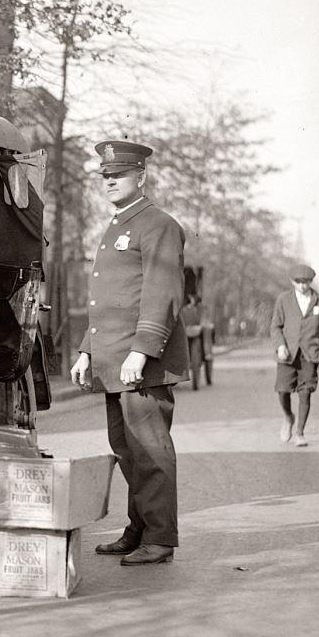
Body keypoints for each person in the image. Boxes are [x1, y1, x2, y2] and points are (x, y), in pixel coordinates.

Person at [69, 140, 189, 566]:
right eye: (104, 176)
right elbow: (111, 302)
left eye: (117, 175)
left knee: (151, 451)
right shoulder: (117, 226)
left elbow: (163, 294)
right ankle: (139, 528)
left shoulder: (158, 225)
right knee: (127, 449)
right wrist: (86, 350)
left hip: (142, 363)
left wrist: (141, 351)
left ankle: (160, 537)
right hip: (114, 361)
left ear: (141, 176)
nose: (109, 183)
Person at [270, 264, 319, 447]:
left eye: (306, 282)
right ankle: (289, 417)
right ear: (292, 282)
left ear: (311, 282)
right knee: (283, 390)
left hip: (310, 353)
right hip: (287, 353)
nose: (303, 286)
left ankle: (300, 433)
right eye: (299, 282)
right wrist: (280, 345)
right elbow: (275, 326)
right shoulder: (283, 299)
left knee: (305, 393)